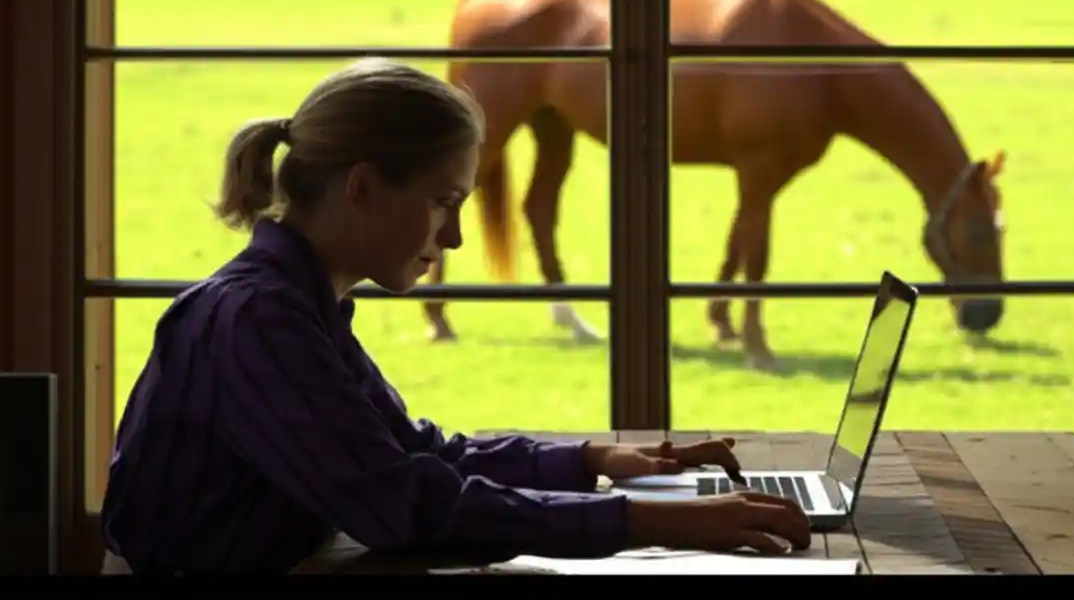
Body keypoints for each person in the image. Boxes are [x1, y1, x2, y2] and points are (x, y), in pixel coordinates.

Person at [99, 57, 810, 574]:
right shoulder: (260, 320)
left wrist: (598, 461)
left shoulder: (293, 302)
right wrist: (656, 520)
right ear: (363, 188)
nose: (458, 238)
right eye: (445, 202)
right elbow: (403, 504)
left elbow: (415, 454)